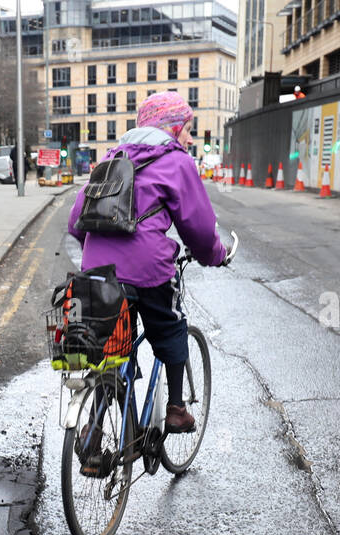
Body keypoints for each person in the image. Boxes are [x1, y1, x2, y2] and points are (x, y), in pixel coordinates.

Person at [67, 91, 227, 433]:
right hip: (148, 271)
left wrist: (97, 252)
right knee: (171, 326)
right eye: (187, 128)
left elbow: (75, 221)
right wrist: (215, 255)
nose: (190, 137)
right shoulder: (177, 161)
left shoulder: (111, 158)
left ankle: (95, 433)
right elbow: (198, 227)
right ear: (171, 128)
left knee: (109, 351)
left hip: (97, 275)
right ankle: (176, 408)